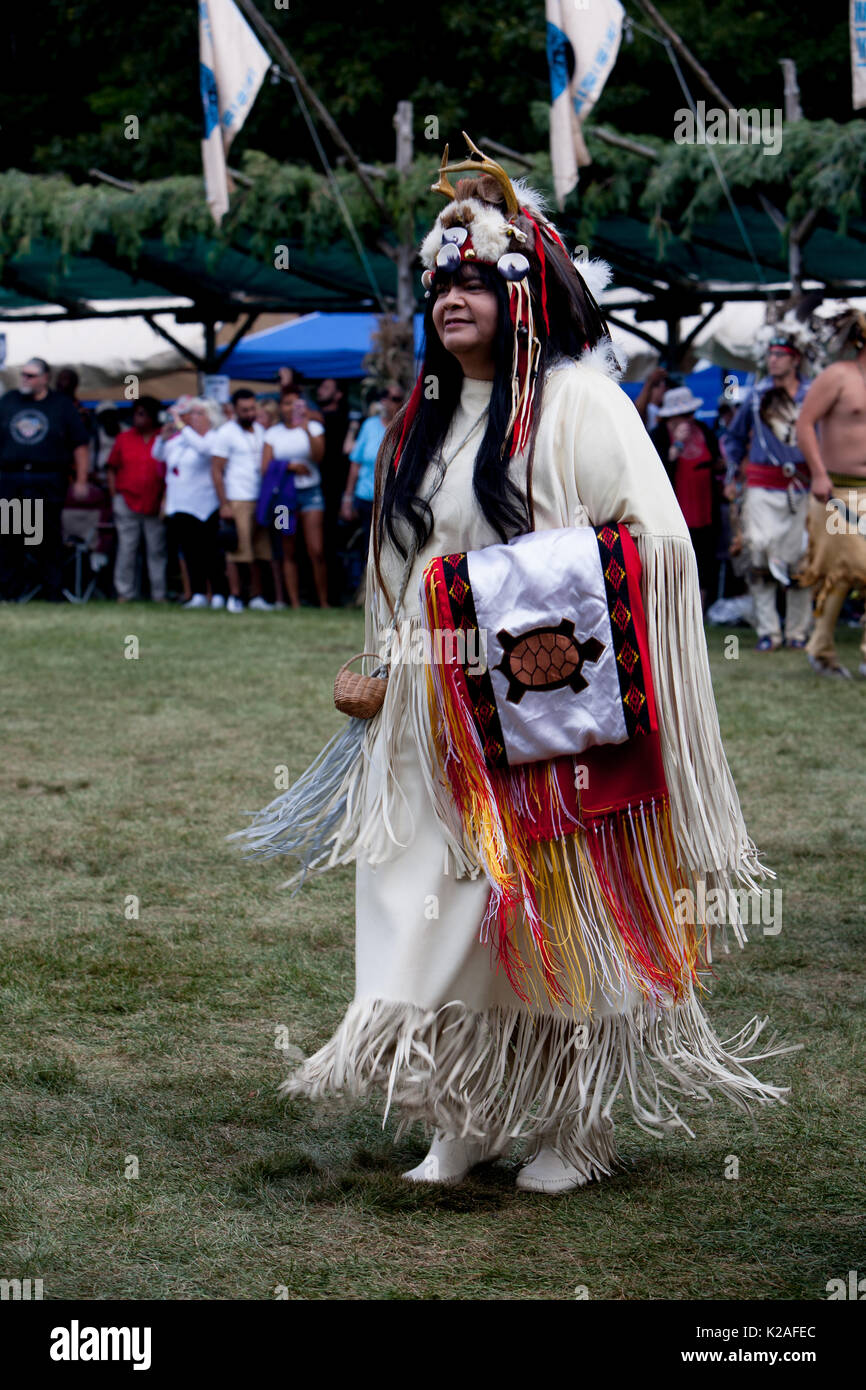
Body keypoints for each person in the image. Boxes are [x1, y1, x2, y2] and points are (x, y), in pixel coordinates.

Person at [236, 138, 791, 1194]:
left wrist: (508, 600)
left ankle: (574, 1129)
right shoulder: (426, 419)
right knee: (427, 903)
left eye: (475, 278)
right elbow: (399, 571)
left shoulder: (580, 402)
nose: (450, 296)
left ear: (529, 289)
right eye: (439, 281)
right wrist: (384, 664)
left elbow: (659, 544)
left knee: (551, 906)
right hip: (429, 719)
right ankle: (461, 1113)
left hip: (548, 710)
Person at [723, 329, 813, 651]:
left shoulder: (811, 395)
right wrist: (734, 473)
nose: (773, 360)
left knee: (800, 558)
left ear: (795, 359)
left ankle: (798, 632)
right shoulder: (757, 395)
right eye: (771, 355)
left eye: (780, 355)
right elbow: (733, 437)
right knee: (758, 552)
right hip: (761, 487)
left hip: (802, 487)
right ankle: (768, 631)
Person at [796, 307, 866, 678]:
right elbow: (804, 423)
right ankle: (820, 650)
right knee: (842, 571)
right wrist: (819, 473)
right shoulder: (838, 376)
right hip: (836, 491)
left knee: (847, 573)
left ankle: (827, 651)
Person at [0, 358, 91, 601]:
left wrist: (81, 480)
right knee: (10, 536)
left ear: (44, 378)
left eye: (30, 376)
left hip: (48, 478)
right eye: (23, 375)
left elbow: (80, 445)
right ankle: (11, 592)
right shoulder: (9, 401)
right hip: (12, 478)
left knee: (45, 536)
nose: (24, 380)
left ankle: (50, 592)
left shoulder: (61, 405)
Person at [649, 385, 722, 610]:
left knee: (705, 558)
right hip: (676, 509)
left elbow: (717, 460)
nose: (689, 419)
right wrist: (677, 445)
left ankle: (699, 610)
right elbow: (658, 470)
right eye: (684, 415)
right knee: (676, 559)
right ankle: (675, 608)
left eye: (691, 414)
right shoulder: (658, 436)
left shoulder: (702, 430)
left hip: (704, 506)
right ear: (670, 416)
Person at [154, 398, 226, 610]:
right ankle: (198, 593)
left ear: (209, 417)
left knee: (211, 552)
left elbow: (204, 449)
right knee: (190, 551)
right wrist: (163, 437)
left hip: (205, 503)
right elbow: (158, 455)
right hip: (182, 504)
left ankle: (219, 592)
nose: (192, 417)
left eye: (198, 413)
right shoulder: (181, 439)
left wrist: (181, 426)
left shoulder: (213, 438)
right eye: (191, 413)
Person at [261, 390, 327, 607]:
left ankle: (323, 601)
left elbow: (319, 456)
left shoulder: (314, 428)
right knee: (287, 546)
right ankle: (294, 602)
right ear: (281, 407)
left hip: (311, 493)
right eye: (286, 403)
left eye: (295, 403)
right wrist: (291, 466)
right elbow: (265, 467)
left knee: (315, 549)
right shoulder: (273, 433)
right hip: (283, 497)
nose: (291, 408)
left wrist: (306, 426)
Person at [211, 388, 274, 613]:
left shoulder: (260, 430)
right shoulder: (225, 433)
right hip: (237, 497)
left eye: (252, 408)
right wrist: (224, 503)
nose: (249, 413)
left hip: (260, 498)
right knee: (236, 551)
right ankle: (235, 596)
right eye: (244, 410)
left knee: (258, 551)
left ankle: (256, 596)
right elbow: (216, 470)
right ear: (234, 410)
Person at [341, 385, 405, 597]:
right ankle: (365, 594)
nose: (392, 402)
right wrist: (348, 498)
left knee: (390, 548)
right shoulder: (369, 425)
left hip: (394, 499)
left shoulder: (406, 426)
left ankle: (388, 594)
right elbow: (355, 463)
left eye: (397, 398)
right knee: (365, 547)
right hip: (366, 496)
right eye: (387, 397)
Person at [106, 396, 167, 603]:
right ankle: (125, 592)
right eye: (135, 413)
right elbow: (112, 467)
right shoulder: (124, 438)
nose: (137, 418)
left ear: (152, 416)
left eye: (142, 413)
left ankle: (159, 594)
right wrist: (115, 495)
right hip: (127, 500)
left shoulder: (164, 437)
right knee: (127, 549)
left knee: (156, 550)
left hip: (155, 502)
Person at [316, 378, 351, 602]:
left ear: (338, 395)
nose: (320, 390)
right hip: (311, 489)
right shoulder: (314, 421)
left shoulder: (341, 420)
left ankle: (335, 594)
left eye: (326, 387)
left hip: (335, 492)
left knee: (330, 542)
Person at [634, 365, 671, 430]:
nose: (666, 390)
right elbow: (637, 412)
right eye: (664, 387)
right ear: (653, 389)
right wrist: (650, 381)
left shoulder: (666, 408)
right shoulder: (649, 409)